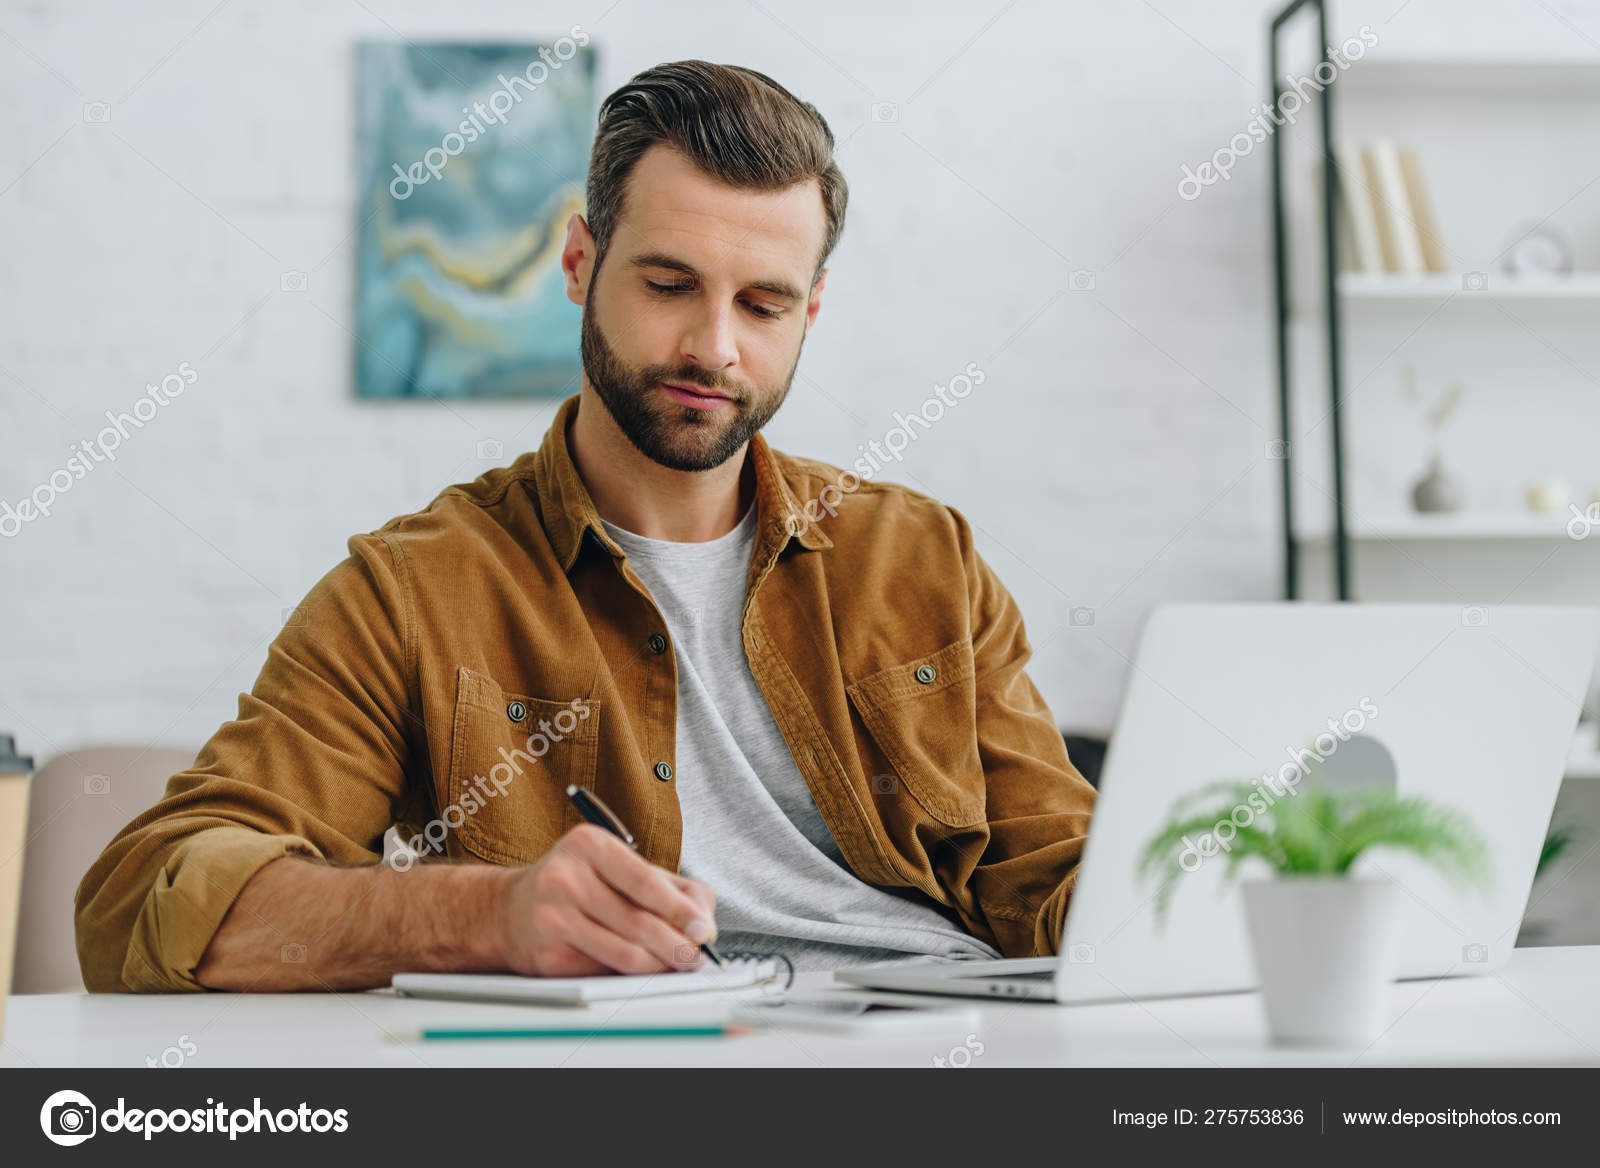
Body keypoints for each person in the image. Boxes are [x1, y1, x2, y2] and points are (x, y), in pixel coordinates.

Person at [75, 60, 1095, 992]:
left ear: (811, 312)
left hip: (950, 1038)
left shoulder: (924, 560)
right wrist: (485, 914)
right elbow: (143, 905)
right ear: (577, 262)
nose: (715, 348)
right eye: (667, 284)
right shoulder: (416, 590)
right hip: (636, 1063)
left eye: (765, 305)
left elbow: (1069, 884)